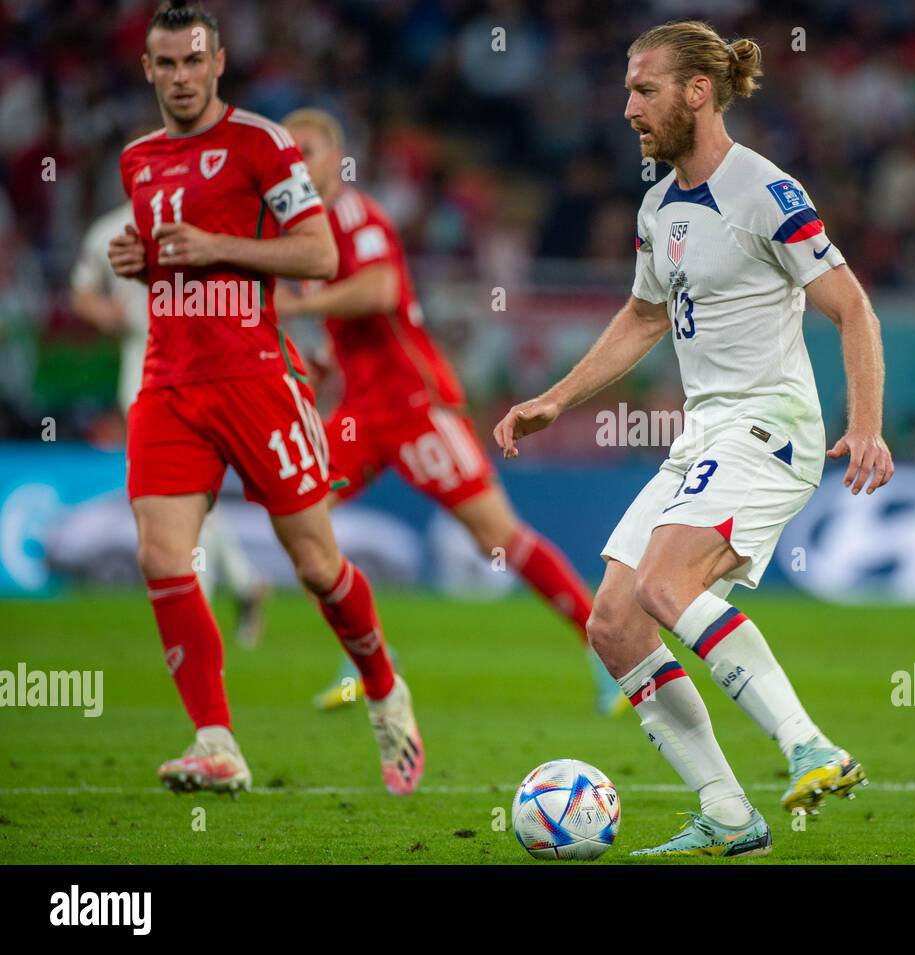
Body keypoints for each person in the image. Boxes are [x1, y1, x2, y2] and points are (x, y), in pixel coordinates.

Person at [495, 21, 894, 857]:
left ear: (698, 91)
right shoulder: (657, 205)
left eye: (644, 90)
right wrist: (556, 398)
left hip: (770, 428)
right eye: (628, 90)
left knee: (665, 585)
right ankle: (728, 808)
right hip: (706, 431)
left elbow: (852, 306)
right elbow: (644, 315)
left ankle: (808, 744)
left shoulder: (765, 192)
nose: (629, 107)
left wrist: (865, 425)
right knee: (613, 622)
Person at [108, 1, 421, 795]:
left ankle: (384, 687)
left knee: (316, 563)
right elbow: (173, 259)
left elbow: (317, 253)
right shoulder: (138, 159)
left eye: (194, 62)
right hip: (169, 379)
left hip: (255, 377)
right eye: (166, 64)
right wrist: (141, 259)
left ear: (218, 66)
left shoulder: (262, 143)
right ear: (148, 70)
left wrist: (218, 247)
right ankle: (216, 742)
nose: (181, 77)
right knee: (159, 554)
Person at [275, 108, 623, 715]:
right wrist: (327, 358)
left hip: (416, 406)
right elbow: (352, 322)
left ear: (335, 158)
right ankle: (366, 659)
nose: (298, 164)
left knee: (499, 535)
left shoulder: (355, 216)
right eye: (289, 155)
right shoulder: (304, 234)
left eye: (308, 150)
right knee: (299, 518)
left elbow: (382, 290)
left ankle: (609, 650)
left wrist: (300, 309)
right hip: (362, 411)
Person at [72, 197, 270, 647]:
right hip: (140, 367)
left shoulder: (194, 219)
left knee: (186, 491)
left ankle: (218, 595)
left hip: (199, 365)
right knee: (179, 492)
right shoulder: (110, 228)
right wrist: (104, 312)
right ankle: (235, 585)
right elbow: (82, 290)